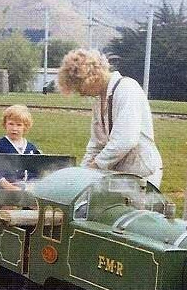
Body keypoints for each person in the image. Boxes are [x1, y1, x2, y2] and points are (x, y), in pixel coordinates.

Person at [58, 49, 163, 188]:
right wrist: (81, 173)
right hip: (119, 173)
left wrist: (95, 166)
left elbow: (125, 141)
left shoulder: (127, 89)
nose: (81, 93)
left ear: (91, 77)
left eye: (79, 87)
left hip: (142, 173)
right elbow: (96, 144)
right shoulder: (98, 100)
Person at [0, 104, 42, 184]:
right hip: (6, 188)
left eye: (19, 125)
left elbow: (35, 172)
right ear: (5, 124)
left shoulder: (31, 148)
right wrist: (8, 186)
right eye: (11, 124)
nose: (14, 128)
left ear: (25, 127)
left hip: (28, 188)